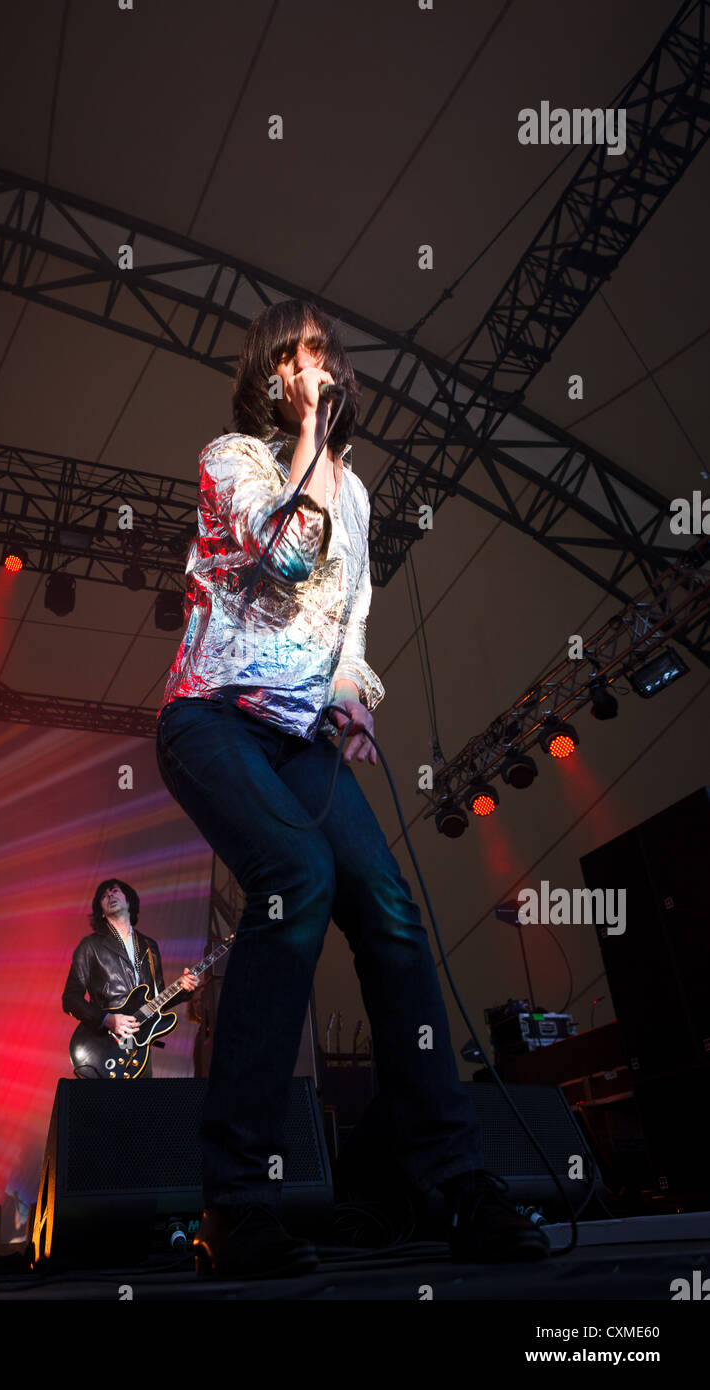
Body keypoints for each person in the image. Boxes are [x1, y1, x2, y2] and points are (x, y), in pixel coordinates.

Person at [155, 299, 550, 1277]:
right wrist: (305, 437)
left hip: (298, 736)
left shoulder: (359, 495)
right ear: (266, 376)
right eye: (288, 356)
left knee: (390, 910)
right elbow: (284, 555)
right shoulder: (234, 459)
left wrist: (346, 693)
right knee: (292, 874)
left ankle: (447, 1179)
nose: (307, 366)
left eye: (319, 353)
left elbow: (340, 615)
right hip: (209, 714)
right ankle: (236, 1201)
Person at [62, 878, 197, 1079]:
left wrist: (183, 989)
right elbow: (70, 999)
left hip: (138, 1048)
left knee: (140, 1108)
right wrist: (107, 1020)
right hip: (104, 1046)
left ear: (129, 901)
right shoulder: (90, 946)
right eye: (104, 895)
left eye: (115, 891)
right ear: (100, 909)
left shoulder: (149, 946)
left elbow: (157, 1001)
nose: (110, 896)